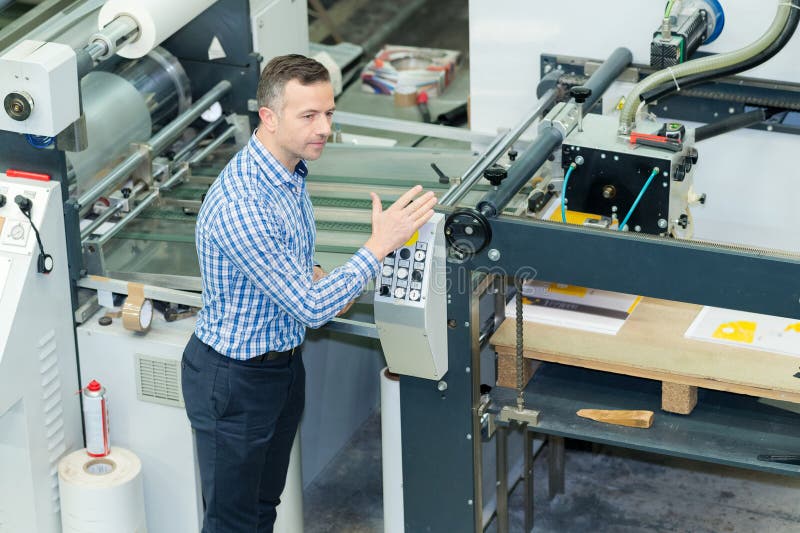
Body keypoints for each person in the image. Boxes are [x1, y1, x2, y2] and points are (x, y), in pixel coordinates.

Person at [181, 54, 437, 532]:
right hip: (233, 382)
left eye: (329, 113)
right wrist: (379, 245)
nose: (324, 128)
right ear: (269, 117)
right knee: (231, 522)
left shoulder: (289, 170)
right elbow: (313, 308)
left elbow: (300, 274)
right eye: (309, 116)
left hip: (280, 368)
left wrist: (316, 274)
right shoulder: (243, 203)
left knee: (263, 508)